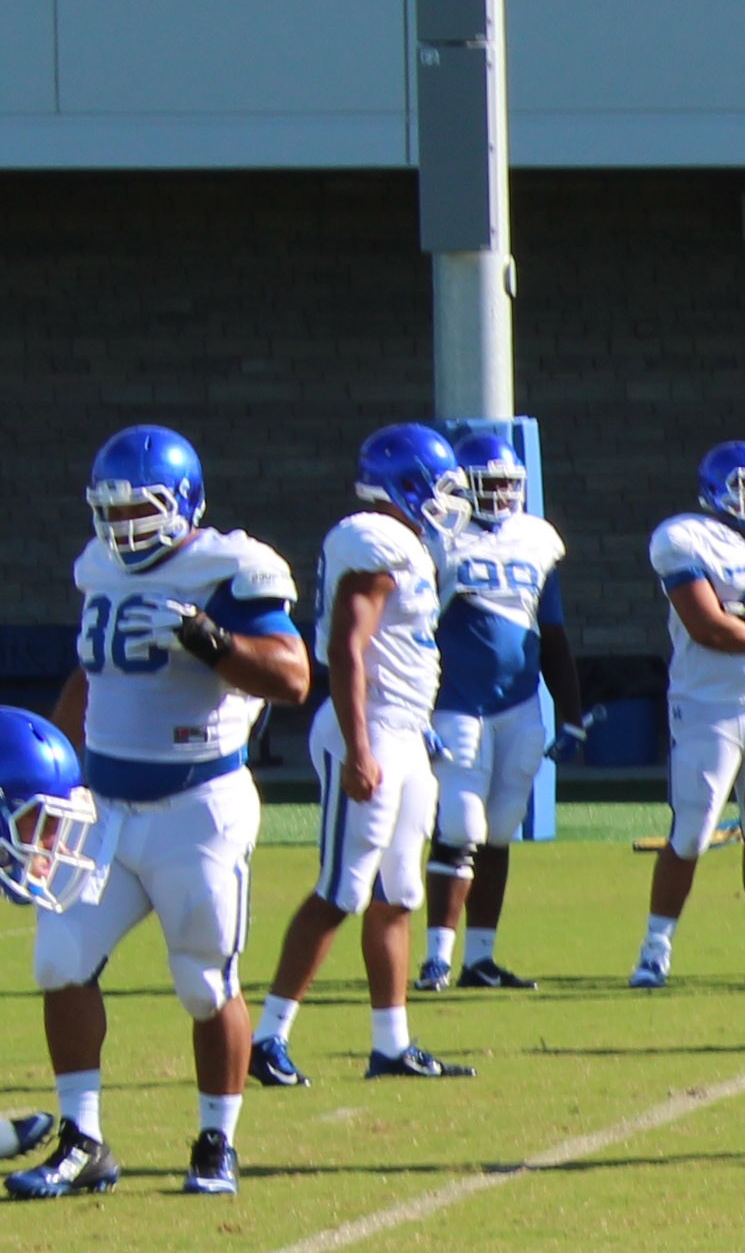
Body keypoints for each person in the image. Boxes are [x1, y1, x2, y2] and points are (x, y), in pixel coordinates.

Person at [1, 429, 307, 1200]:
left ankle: (216, 1139)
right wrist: (51, 762)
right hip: (101, 803)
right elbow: (95, 671)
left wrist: (208, 641)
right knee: (59, 960)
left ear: (185, 505)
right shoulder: (99, 565)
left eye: (141, 507)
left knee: (206, 983)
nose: (124, 525)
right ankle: (84, 1140)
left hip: (196, 804)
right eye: (111, 508)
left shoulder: (229, 566)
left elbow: (292, 675)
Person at [250, 426, 479, 1091]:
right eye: (438, 488)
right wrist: (359, 746)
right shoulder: (376, 541)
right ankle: (270, 1035)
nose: (447, 502)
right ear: (406, 484)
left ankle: (391, 1043)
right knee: (342, 889)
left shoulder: (405, 545)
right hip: (371, 727)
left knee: (398, 893)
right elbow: (348, 647)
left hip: (404, 729)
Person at [636, 441, 745, 990]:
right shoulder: (684, 536)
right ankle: (654, 949)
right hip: (708, 704)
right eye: (744, 491)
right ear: (715, 492)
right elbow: (707, 627)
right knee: (691, 830)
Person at [419, 424, 574, 994]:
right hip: (457, 701)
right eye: (490, 484)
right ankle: (438, 955)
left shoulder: (537, 539)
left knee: (501, 830)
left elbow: (552, 631)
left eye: (511, 484)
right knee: (460, 825)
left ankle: (479, 958)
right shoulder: (436, 537)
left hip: (521, 703)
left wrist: (572, 709)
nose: (502, 496)